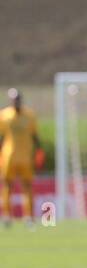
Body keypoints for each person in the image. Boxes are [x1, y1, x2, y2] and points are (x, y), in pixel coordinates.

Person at [0, 88, 42, 227]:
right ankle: (6, 216)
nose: (16, 101)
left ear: (21, 99)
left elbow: (35, 136)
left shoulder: (30, 115)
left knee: (27, 186)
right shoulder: (4, 115)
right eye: (13, 99)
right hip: (8, 156)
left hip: (26, 156)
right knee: (7, 185)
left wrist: (39, 153)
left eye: (17, 98)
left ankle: (28, 217)